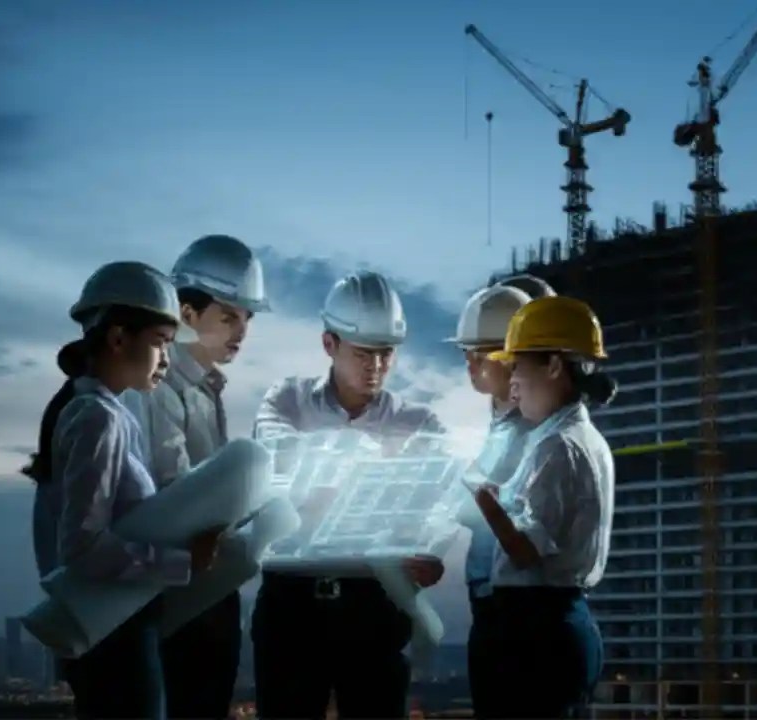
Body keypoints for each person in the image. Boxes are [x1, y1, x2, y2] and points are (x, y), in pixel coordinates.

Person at [24, 261, 225, 720]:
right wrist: (181, 562)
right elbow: (82, 547)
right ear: (118, 338)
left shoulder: (102, 412)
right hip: (115, 639)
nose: (167, 359)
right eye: (160, 342)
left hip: (117, 630)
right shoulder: (96, 418)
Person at [250, 269, 447, 720]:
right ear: (329, 343)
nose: (375, 366)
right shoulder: (287, 401)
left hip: (374, 608)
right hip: (291, 608)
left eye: (385, 353)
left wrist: (433, 548)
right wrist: (373, 468)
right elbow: (280, 460)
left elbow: (439, 499)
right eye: (363, 353)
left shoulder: (420, 423)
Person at [120, 234, 269, 720]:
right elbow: (173, 494)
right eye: (229, 316)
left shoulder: (205, 388)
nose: (241, 330)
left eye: (247, 318)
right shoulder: (160, 387)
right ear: (186, 313)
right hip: (177, 591)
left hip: (207, 587)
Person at [471, 295, 617, 719]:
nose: (512, 381)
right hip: (557, 624)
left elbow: (525, 551)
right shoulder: (580, 439)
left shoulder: (557, 446)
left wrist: (484, 500)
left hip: (537, 635)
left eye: (518, 366)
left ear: (554, 366)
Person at [443, 278, 552, 718]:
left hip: (517, 605)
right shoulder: (501, 418)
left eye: (479, 353)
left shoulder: (536, 427)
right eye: (465, 352)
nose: (469, 363)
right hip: (489, 597)